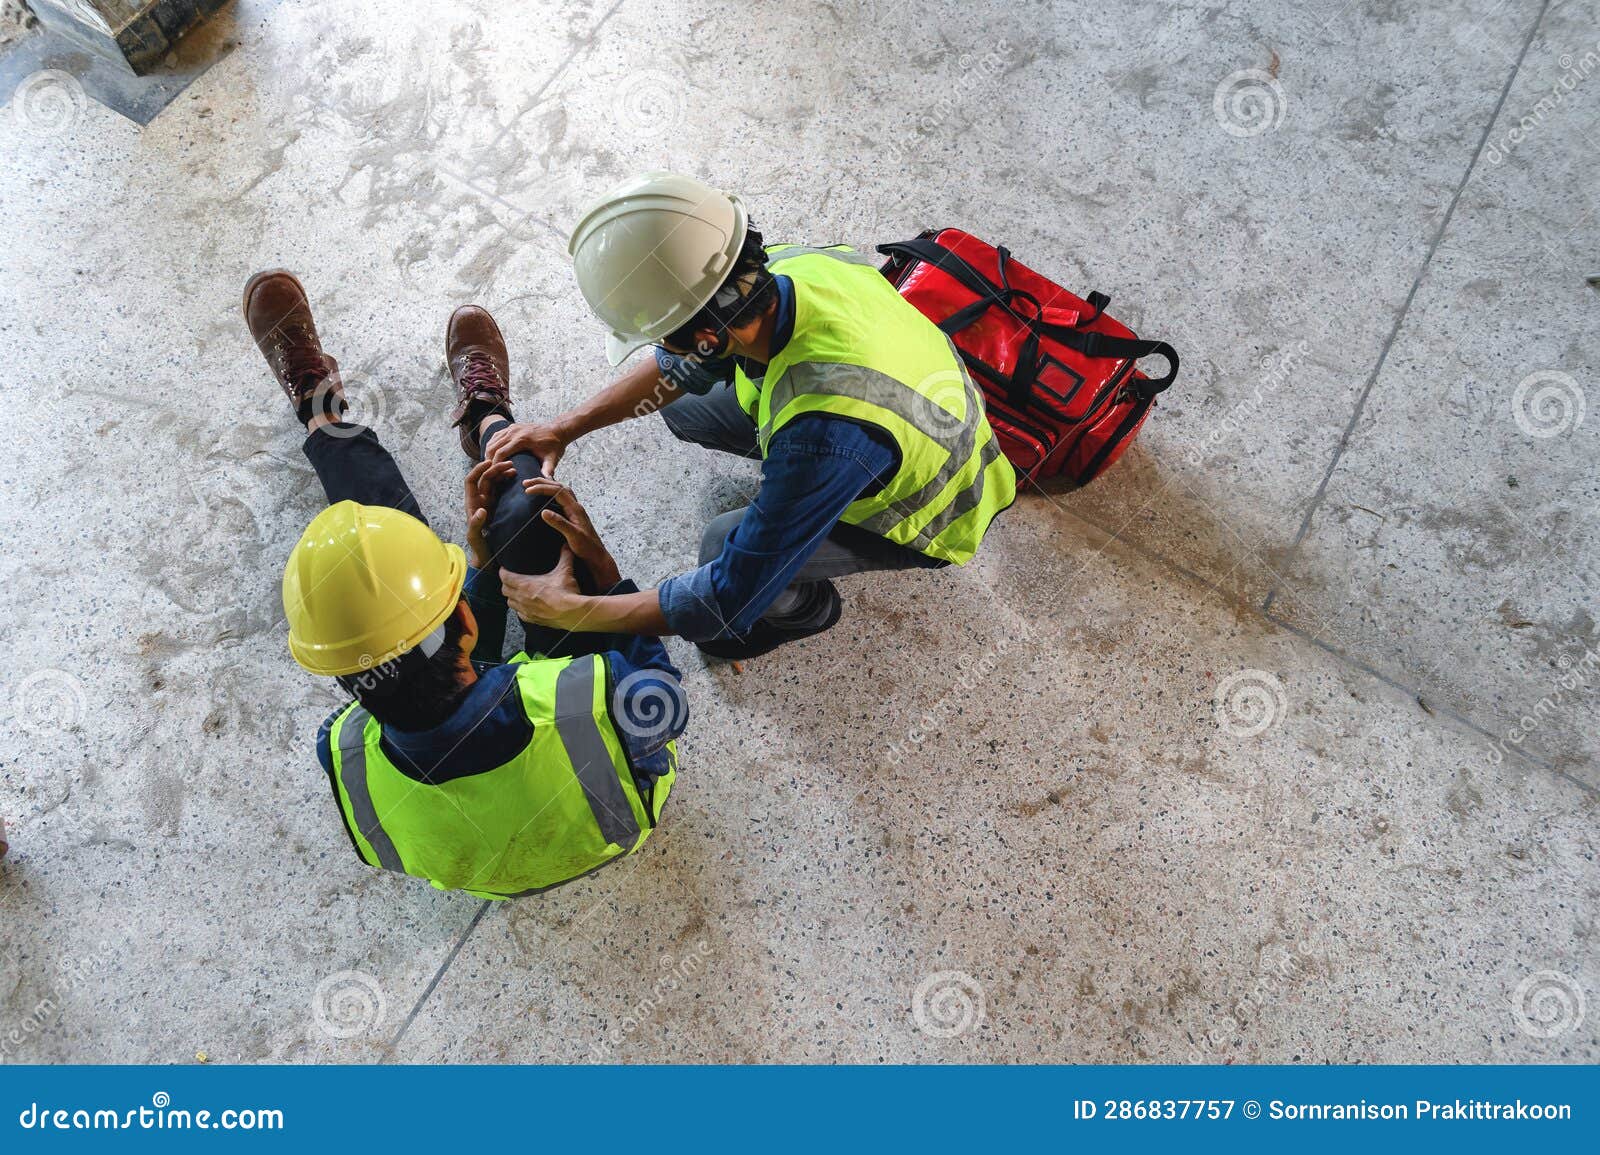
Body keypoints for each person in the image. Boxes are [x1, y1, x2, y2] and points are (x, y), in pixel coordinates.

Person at [244, 269, 685, 899]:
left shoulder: (345, 756)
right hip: (609, 828)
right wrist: (601, 575)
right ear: (472, 626)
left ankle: (320, 411)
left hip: (496, 872)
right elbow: (662, 690)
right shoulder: (595, 698)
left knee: (377, 564)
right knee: (538, 512)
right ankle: (491, 424)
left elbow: (406, 651)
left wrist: (476, 573)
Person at [484, 172, 1017, 660]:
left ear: (708, 337)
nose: (665, 350)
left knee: (723, 552)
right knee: (686, 409)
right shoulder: (785, 267)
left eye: (665, 335)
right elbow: (677, 366)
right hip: (907, 419)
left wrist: (572, 611)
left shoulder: (823, 434)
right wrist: (563, 429)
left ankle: (805, 611)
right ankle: (800, 512)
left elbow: (727, 595)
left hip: (936, 508)